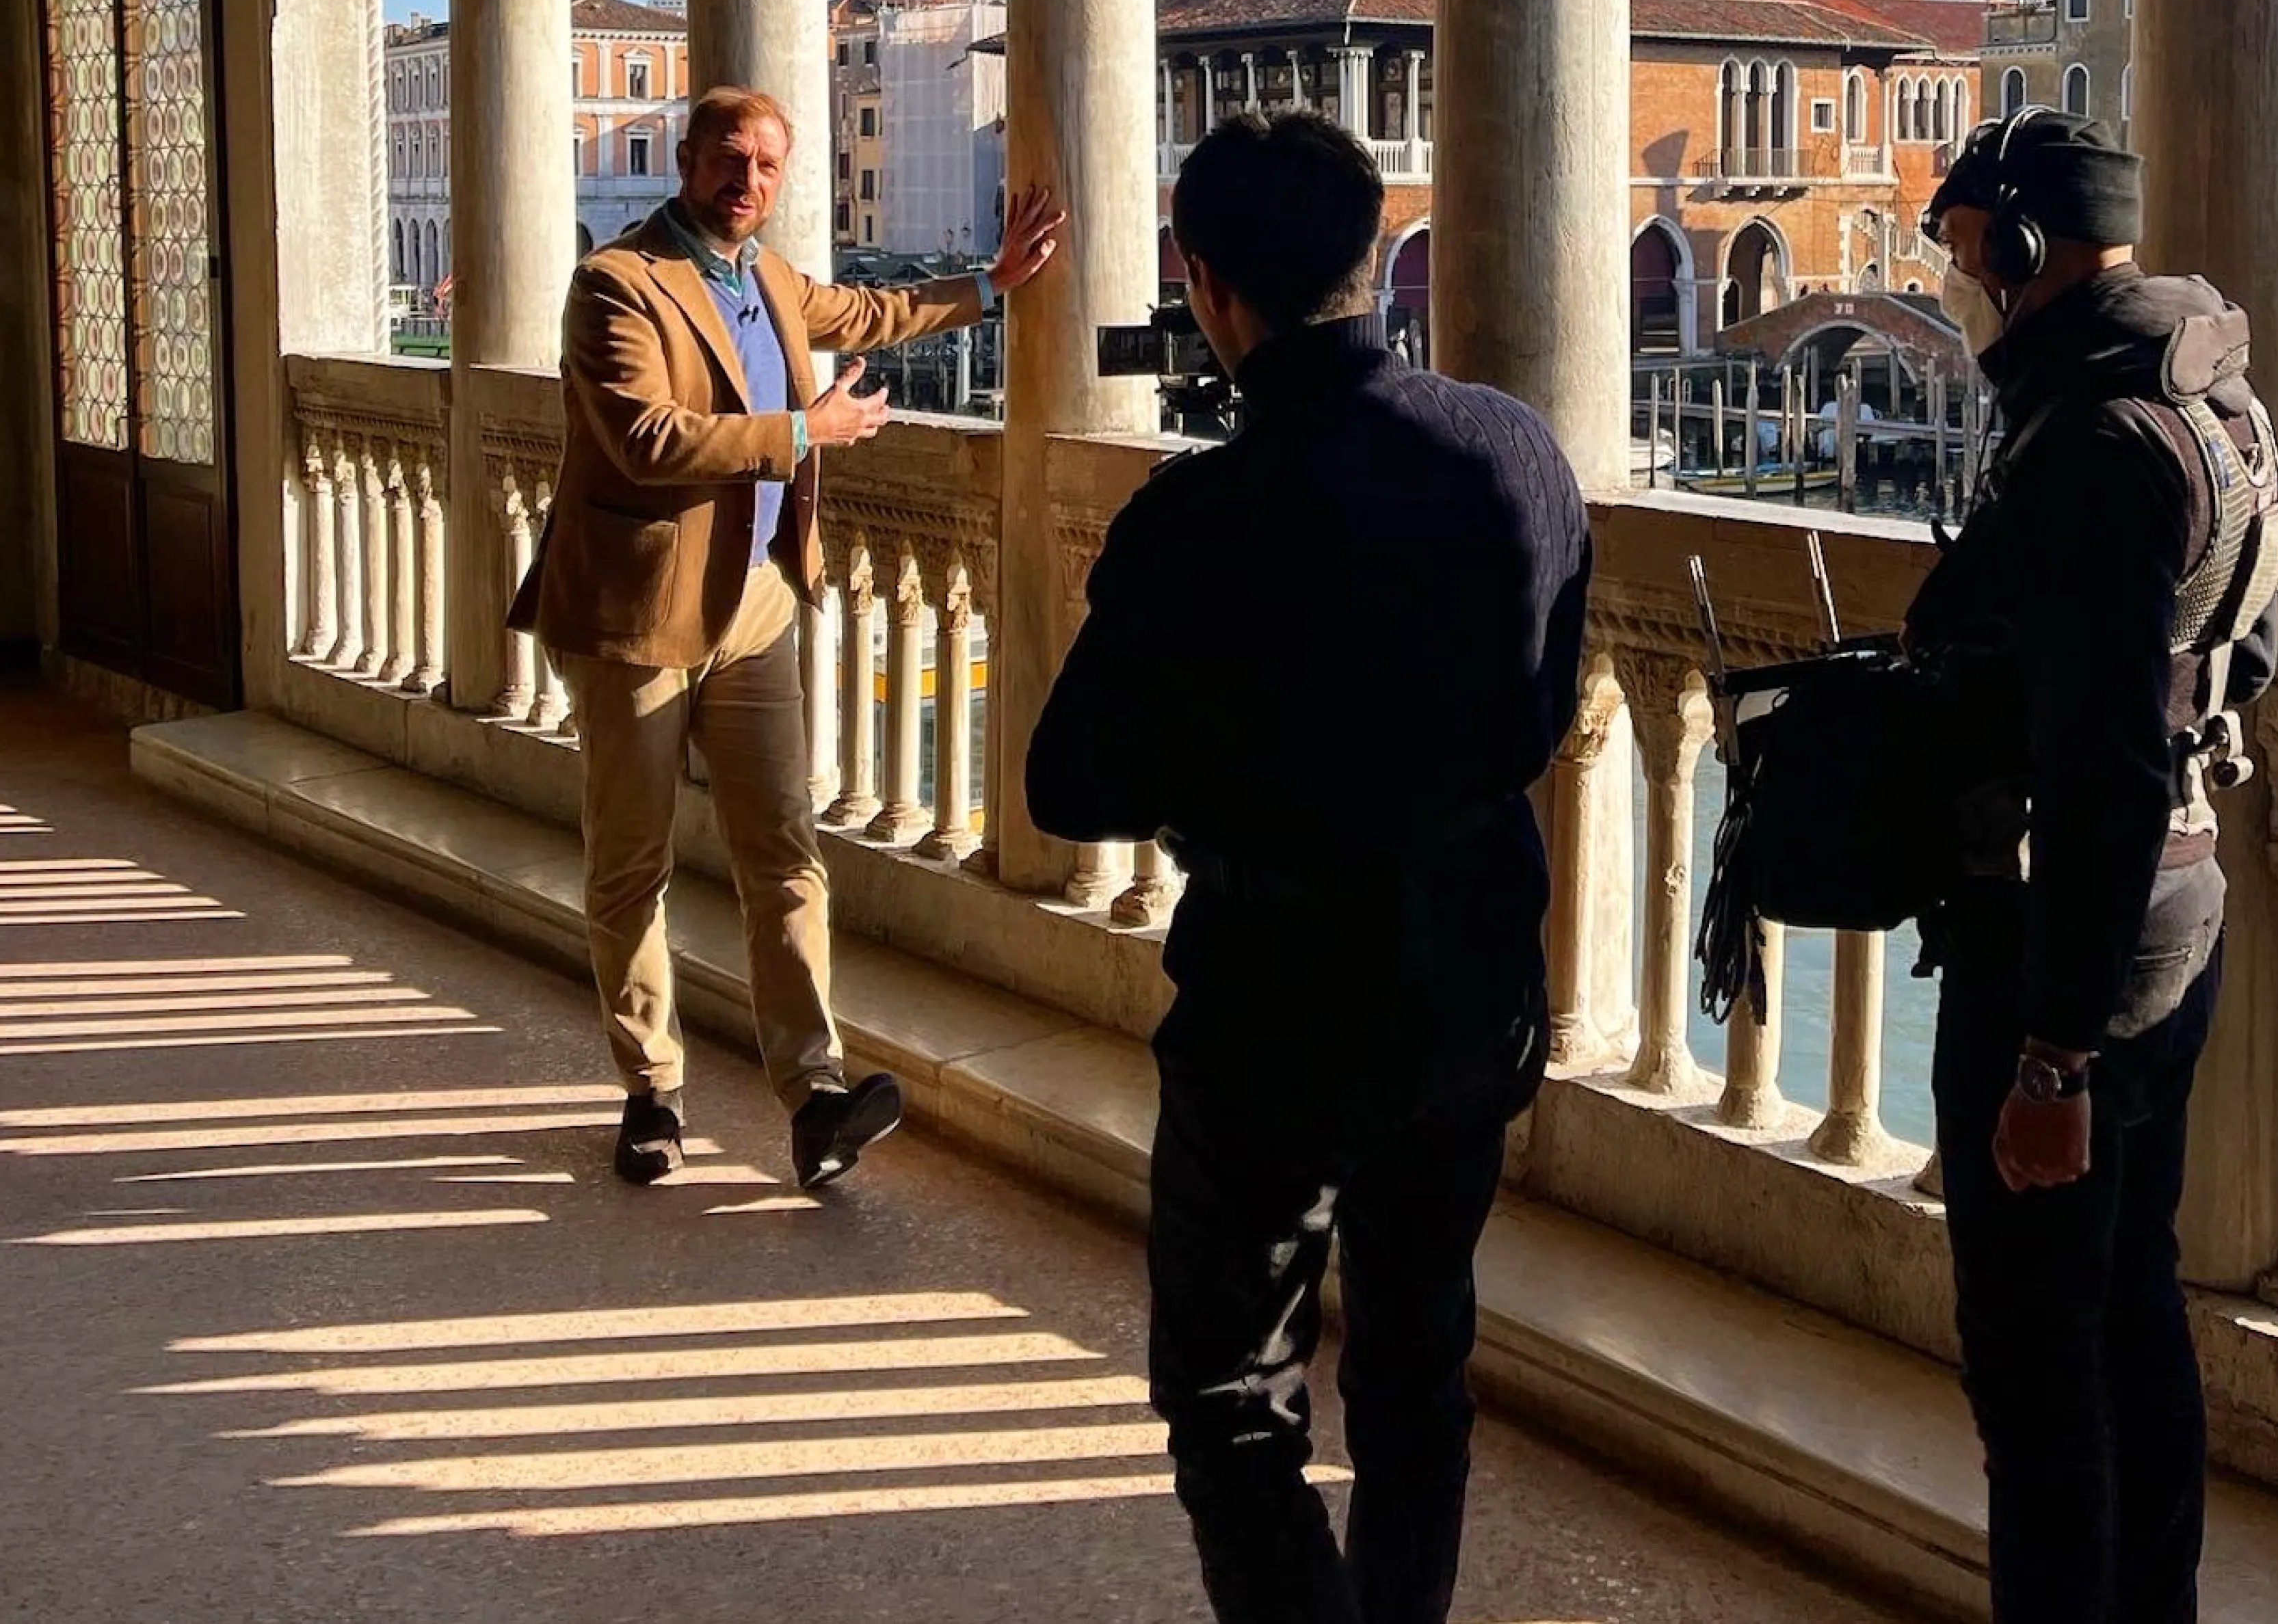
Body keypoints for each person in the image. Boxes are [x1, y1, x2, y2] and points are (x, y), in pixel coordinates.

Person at [1027, 112, 1591, 1624]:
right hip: (1472, 978)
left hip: (1278, 998)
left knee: (1232, 1397)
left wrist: (1229, 773)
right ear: (1370, 252)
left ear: (1205, 286)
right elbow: (1541, 709)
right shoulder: (1519, 452)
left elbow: (1070, 784)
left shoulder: (1195, 518)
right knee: (1418, 1369)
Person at [512, 85, 1063, 1190]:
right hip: (639, 615)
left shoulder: (767, 276)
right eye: (730, 158)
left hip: (756, 600)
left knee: (786, 852)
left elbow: (863, 312)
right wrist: (811, 429)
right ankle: (652, 1089)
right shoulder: (617, 283)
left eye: (767, 165)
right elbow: (647, 439)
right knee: (632, 863)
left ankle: (816, 1097)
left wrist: (989, 285)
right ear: (687, 157)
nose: (748, 181)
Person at [1905, 107, 2278, 1624]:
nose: (1957, 280)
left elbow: (2102, 766)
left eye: (1965, 249)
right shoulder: (2217, 403)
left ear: (2024, 246)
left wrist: (2050, 1055)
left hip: (2063, 947)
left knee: (2038, 1364)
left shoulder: (2092, 446)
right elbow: (2245, 654)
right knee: (2132, 1308)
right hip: (2181, 910)